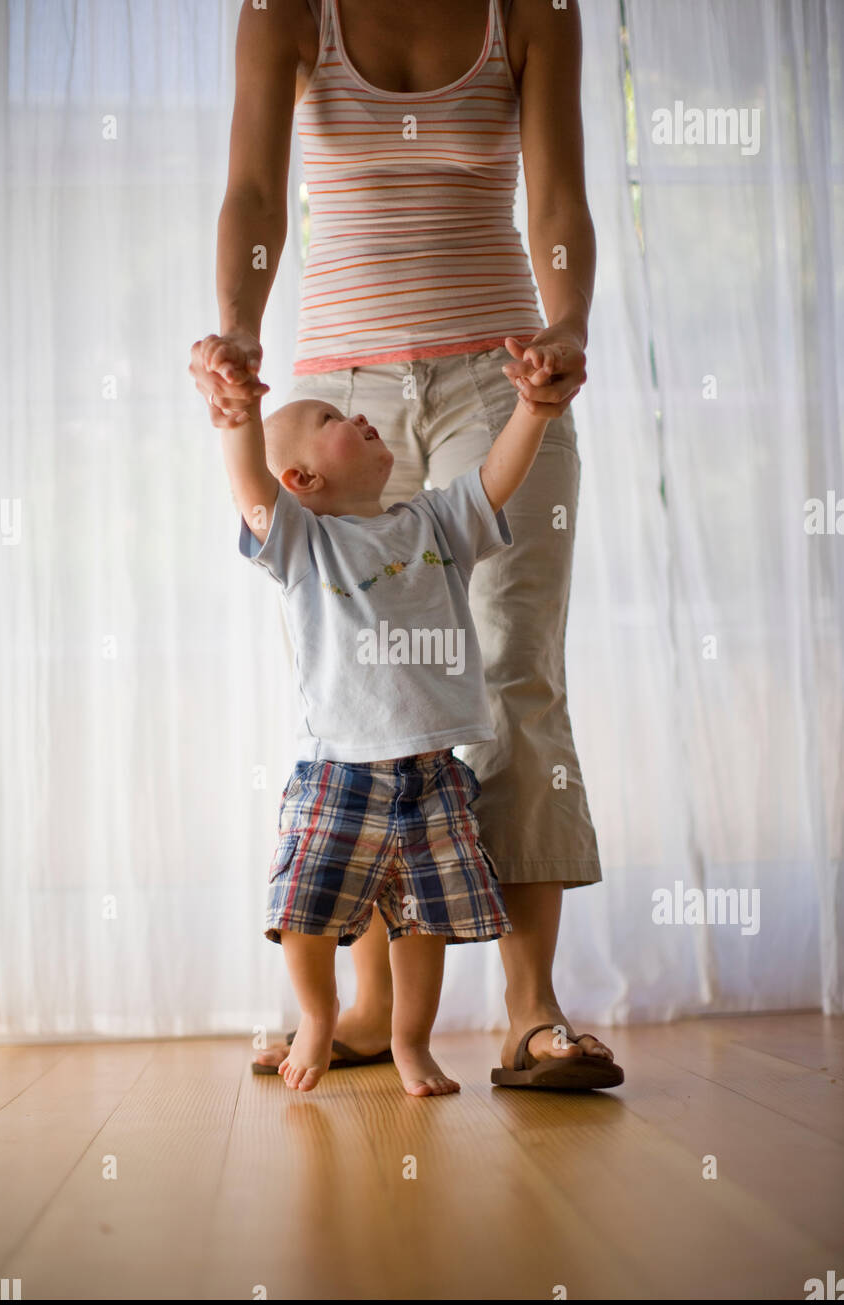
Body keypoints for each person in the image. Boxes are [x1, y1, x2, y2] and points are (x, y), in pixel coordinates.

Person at [190, 0, 623, 1089]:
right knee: (378, 692)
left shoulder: (533, 11)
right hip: (344, 387)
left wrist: (564, 324)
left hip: (500, 369)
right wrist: (238, 326)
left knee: (514, 671)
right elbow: (252, 192)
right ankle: (376, 1008)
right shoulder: (285, 12)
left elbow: (555, 194)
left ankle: (533, 1015)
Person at [222, 341, 559, 1094]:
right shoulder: (304, 543)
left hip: (433, 772)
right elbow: (249, 483)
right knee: (303, 906)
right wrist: (238, 418)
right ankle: (319, 1014)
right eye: (333, 418)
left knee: (422, 920)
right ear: (301, 479)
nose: (361, 417)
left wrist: (534, 412)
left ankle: (410, 1042)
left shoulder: (435, 523)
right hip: (339, 767)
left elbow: (495, 480)